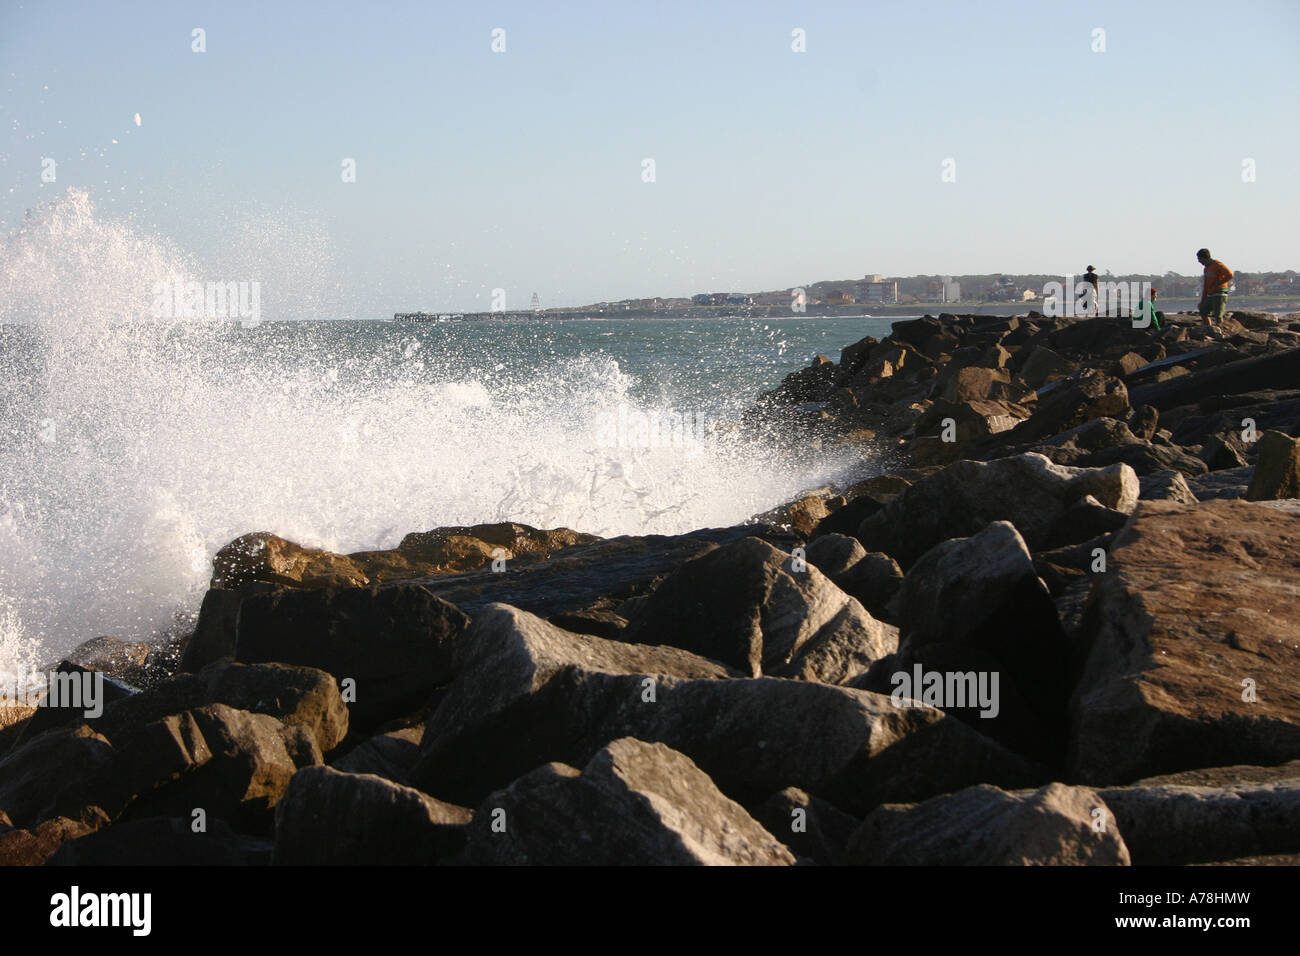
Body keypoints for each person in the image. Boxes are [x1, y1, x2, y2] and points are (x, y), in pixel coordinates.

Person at [1196, 248, 1233, 328]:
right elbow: (1206, 286)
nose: (1199, 261)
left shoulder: (1217, 264)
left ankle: (1221, 334)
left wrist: (1218, 284)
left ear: (1204, 258)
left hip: (1220, 294)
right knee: (1203, 311)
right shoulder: (1206, 269)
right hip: (1210, 295)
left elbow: (1230, 274)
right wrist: (1202, 300)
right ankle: (1208, 330)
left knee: (1218, 316)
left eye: (1199, 259)